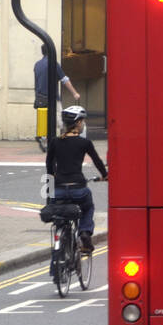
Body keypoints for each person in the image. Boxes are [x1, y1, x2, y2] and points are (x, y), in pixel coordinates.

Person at [47, 106, 107, 254]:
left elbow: (49, 164)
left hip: (59, 189)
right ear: (78, 123)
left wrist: (52, 182)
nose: (83, 124)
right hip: (78, 189)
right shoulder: (84, 143)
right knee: (88, 207)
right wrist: (105, 175)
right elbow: (97, 161)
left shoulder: (55, 142)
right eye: (83, 121)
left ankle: (60, 238)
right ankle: (85, 232)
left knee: (59, 213)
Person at [35, 44, 81, 127]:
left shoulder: (37, 65)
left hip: (40, 99)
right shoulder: (53, 63)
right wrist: (75, 93)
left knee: (43, 122)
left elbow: (37, 83)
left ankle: (43, 138)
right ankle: (57, 139)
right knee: (59, 123)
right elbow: (65, 80)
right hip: (53, 98)